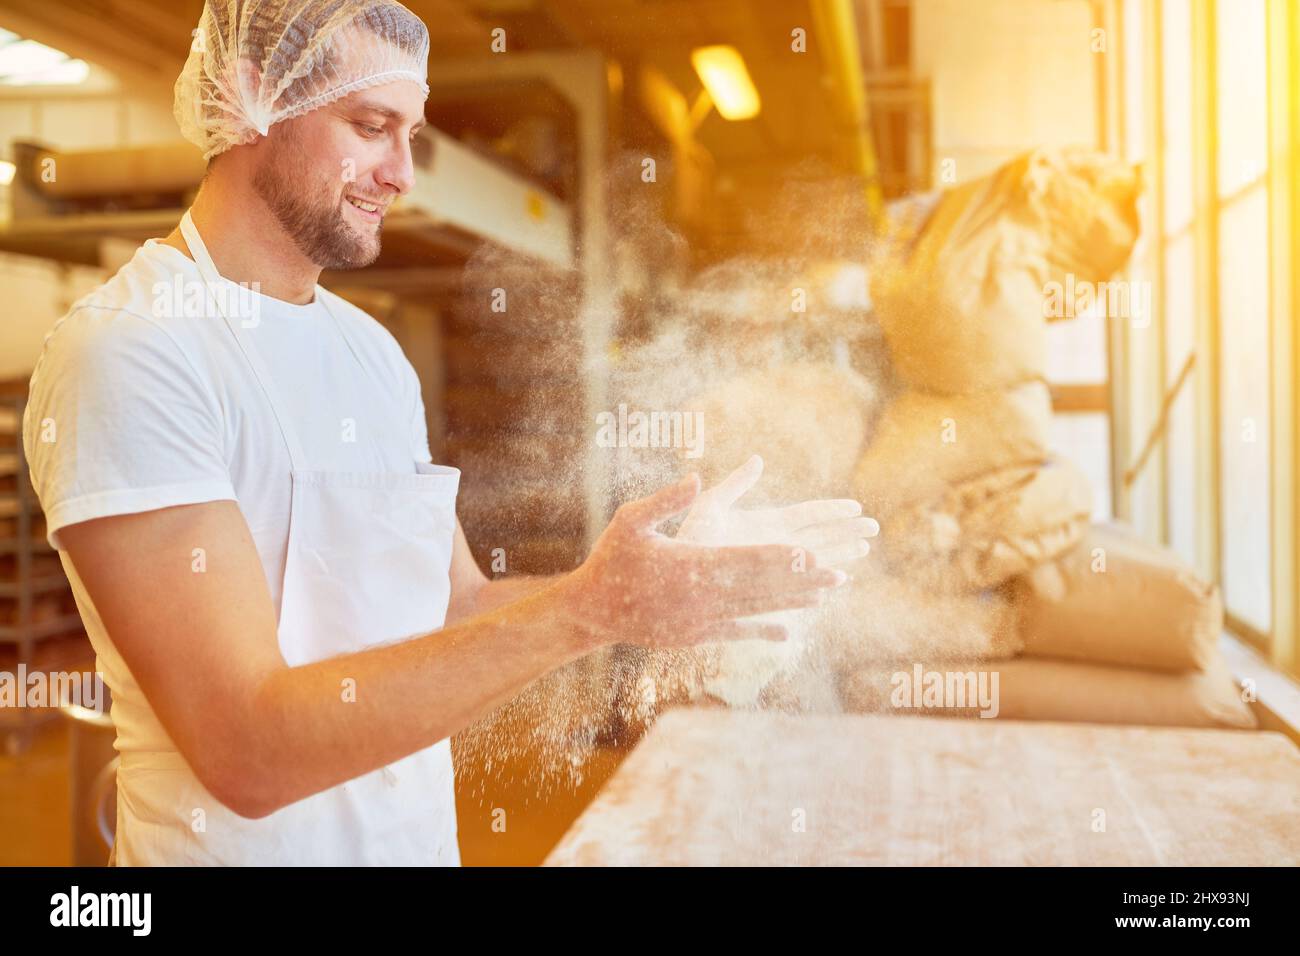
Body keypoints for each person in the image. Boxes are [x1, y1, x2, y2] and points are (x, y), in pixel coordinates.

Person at [23, 0, 876, 865]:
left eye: (412, 134)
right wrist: (589, 610)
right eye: (370, 126)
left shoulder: (373, 357)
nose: (402, 173)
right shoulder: (132, 354)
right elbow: (247, 747)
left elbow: (456, 605)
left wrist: (648, 587)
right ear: (252, 100)